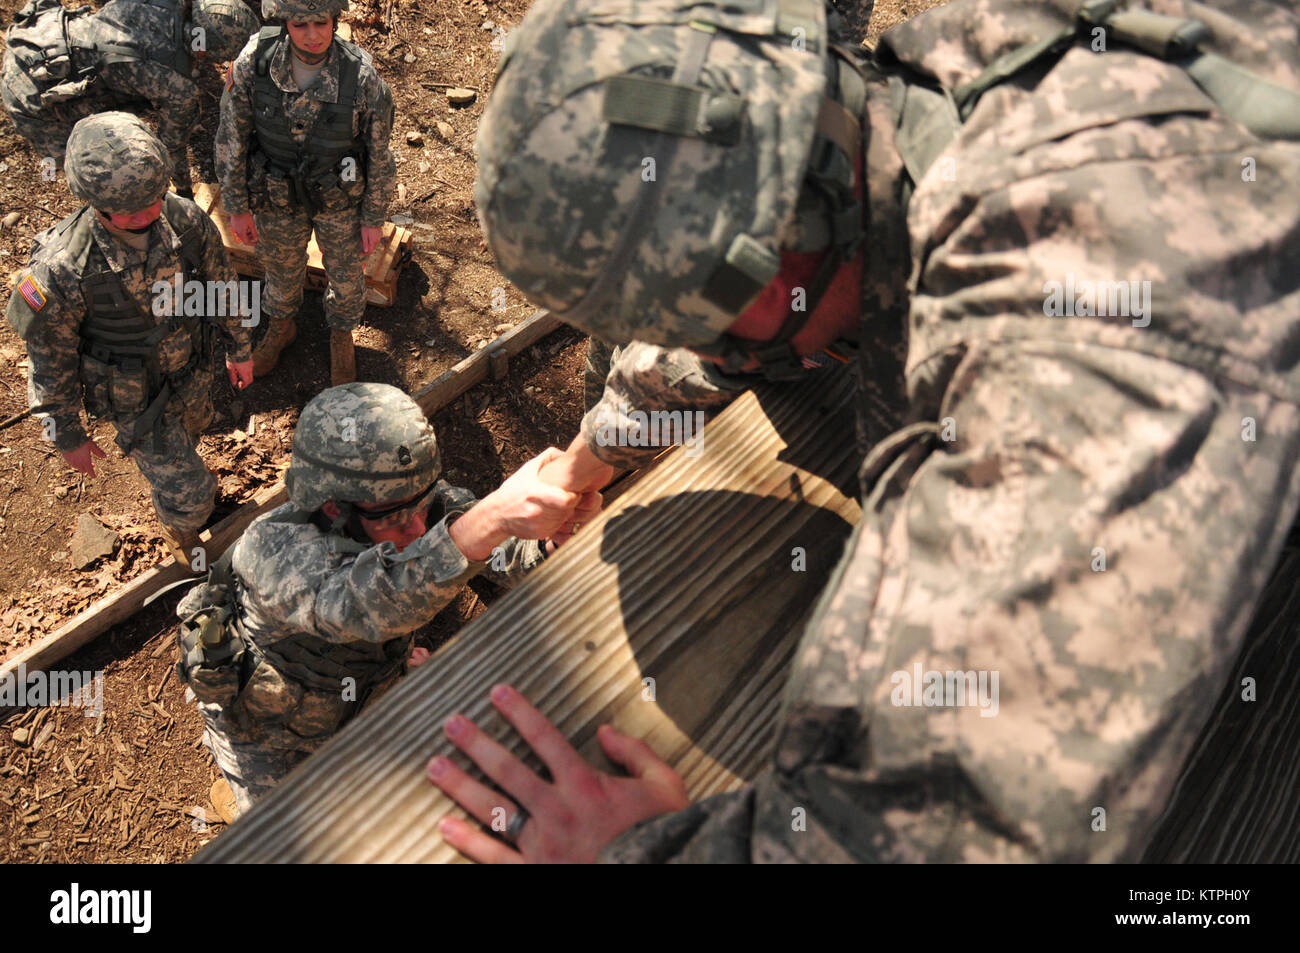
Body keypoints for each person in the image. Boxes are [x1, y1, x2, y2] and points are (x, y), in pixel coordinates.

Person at [426, 0, 1300, 862]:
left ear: (770, 294)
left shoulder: (1071, 374)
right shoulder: (963, 83)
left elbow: (953, 824)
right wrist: (590, 456)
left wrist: (638, 853)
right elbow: (729, 349)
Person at [174, 381, 600, 815]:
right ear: (332, 507)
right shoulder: (275, 552)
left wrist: (547, 542)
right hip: (271, 733)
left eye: (422, 503)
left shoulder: (403, 499)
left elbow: (498, 553)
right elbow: (366, 605)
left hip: (362, 693)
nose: (418, 529)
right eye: (394, 517)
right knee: (274, 827)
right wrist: (491, 519)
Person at [5, 112, 254, 567]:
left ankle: (184, 492)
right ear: (93, 201)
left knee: (195, 435)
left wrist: (240, 349)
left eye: (153, 199)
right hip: (134, 401)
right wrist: (67, 435)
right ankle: (184, 532)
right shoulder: (62, 271)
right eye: (129, 209)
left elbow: (222, 288)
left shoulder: (184, 221)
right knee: (194, 495)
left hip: (192, 372)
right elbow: (49, 365)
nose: (146, 214)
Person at [214, 0, 396, 386]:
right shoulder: (254, 62)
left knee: (347, 277)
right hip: (276, 195)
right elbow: (231, 139)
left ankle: (342, 334)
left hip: (339, 198)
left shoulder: (359, 74)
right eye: (300, 25)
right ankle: (281, 327)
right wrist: (237, 208)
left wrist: (372, 218)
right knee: (278, 269)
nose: (312, 36)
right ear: (284, 23)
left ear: (334, 21)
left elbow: (380, 152)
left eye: (321, 23)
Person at [2, 0, 260, 197]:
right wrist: (184, 193)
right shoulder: (175, 85)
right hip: (33, 91)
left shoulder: (166, 5)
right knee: (86, 168)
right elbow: (172, 147)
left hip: (37, 32)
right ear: (205, 50)